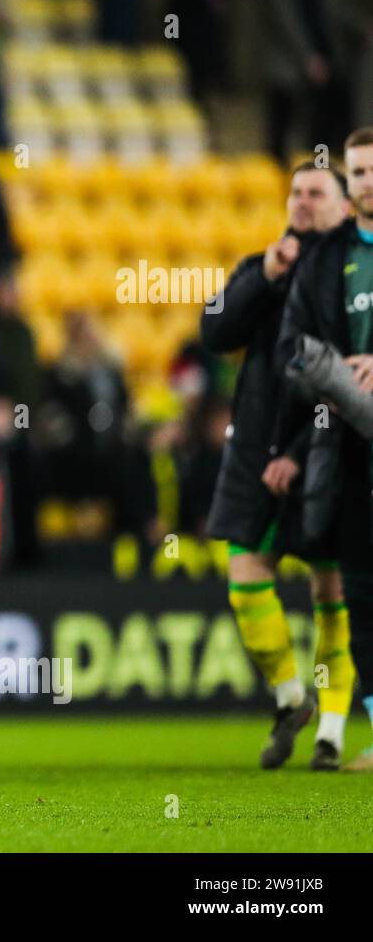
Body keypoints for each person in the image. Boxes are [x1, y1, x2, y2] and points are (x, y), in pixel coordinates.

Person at [201, 160, 352, 771]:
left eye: (317, 191)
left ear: (344, 205)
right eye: (295, 191)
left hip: (326, 447)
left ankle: (332, 734)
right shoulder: (263, 266)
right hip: (255, 451)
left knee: (330, 590)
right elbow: (213, 329)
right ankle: (292, 697)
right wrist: (263, 275)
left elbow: (339, 379)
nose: (302, 201)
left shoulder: (349, 275)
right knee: (244, 581)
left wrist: (299, 451)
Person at [277, 127, 373, 771]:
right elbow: (294, 347)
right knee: (362, 594)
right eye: (358, 173)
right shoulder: (326, 259)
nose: (367, 183)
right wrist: (337, 377)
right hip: (352, 446)